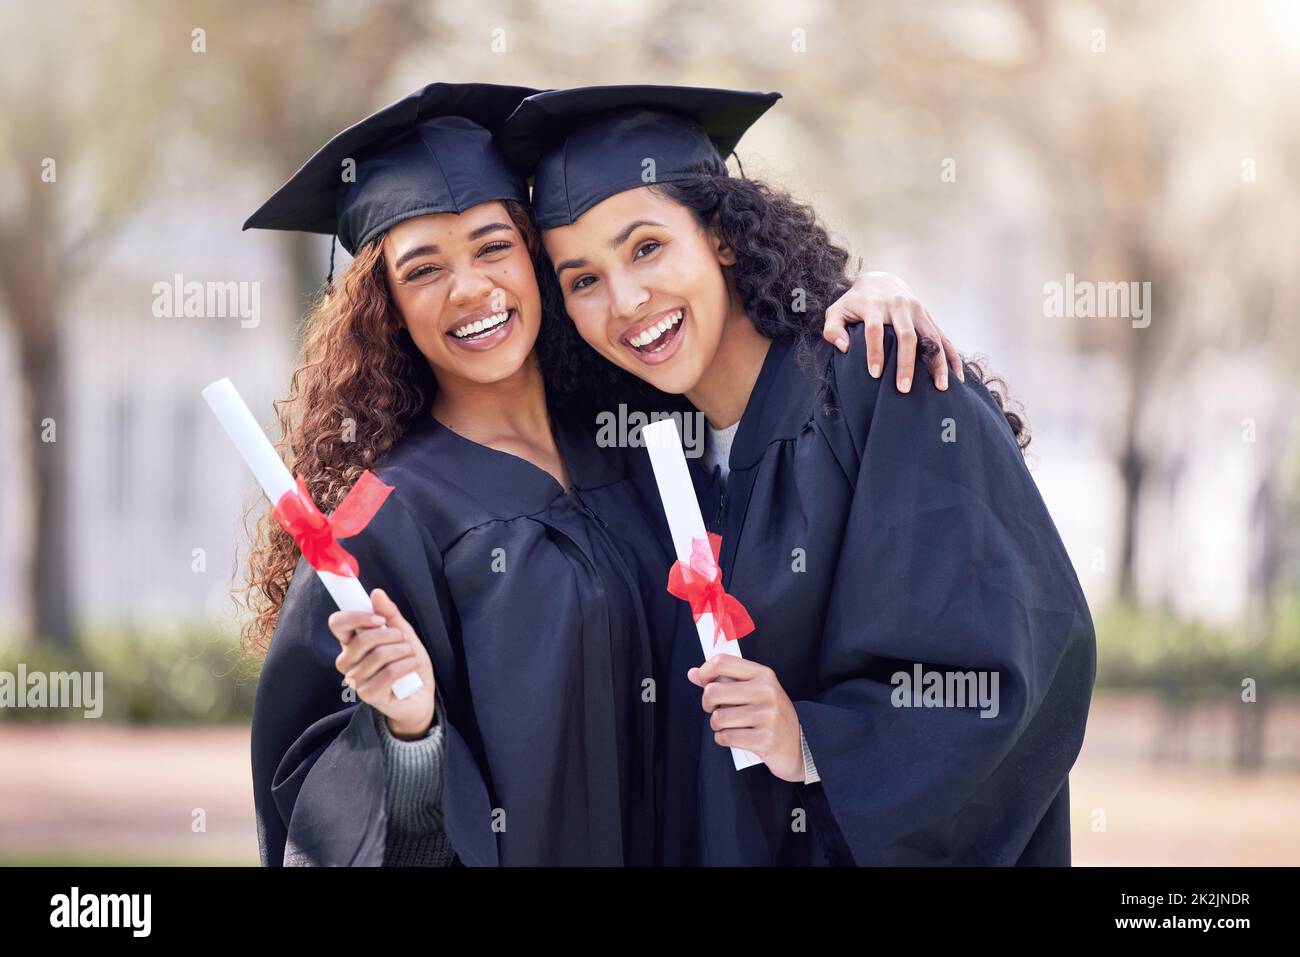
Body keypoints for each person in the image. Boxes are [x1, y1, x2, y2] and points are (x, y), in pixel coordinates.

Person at [238, 82, 960, 865]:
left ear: (537, 262)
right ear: (387, 307)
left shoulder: (651, 443)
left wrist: (859, 295)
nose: (472, 288)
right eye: (423, 270)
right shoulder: (385, 521)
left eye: (492, 246)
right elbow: (324, 813)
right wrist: (411, 736)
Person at [502, 84, 1098, 865]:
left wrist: (814, 740)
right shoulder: (639, 460)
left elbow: (1016, 667)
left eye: (646, 246)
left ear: (719, 233)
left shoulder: (877, 386)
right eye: (582, 280)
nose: (625, 299)